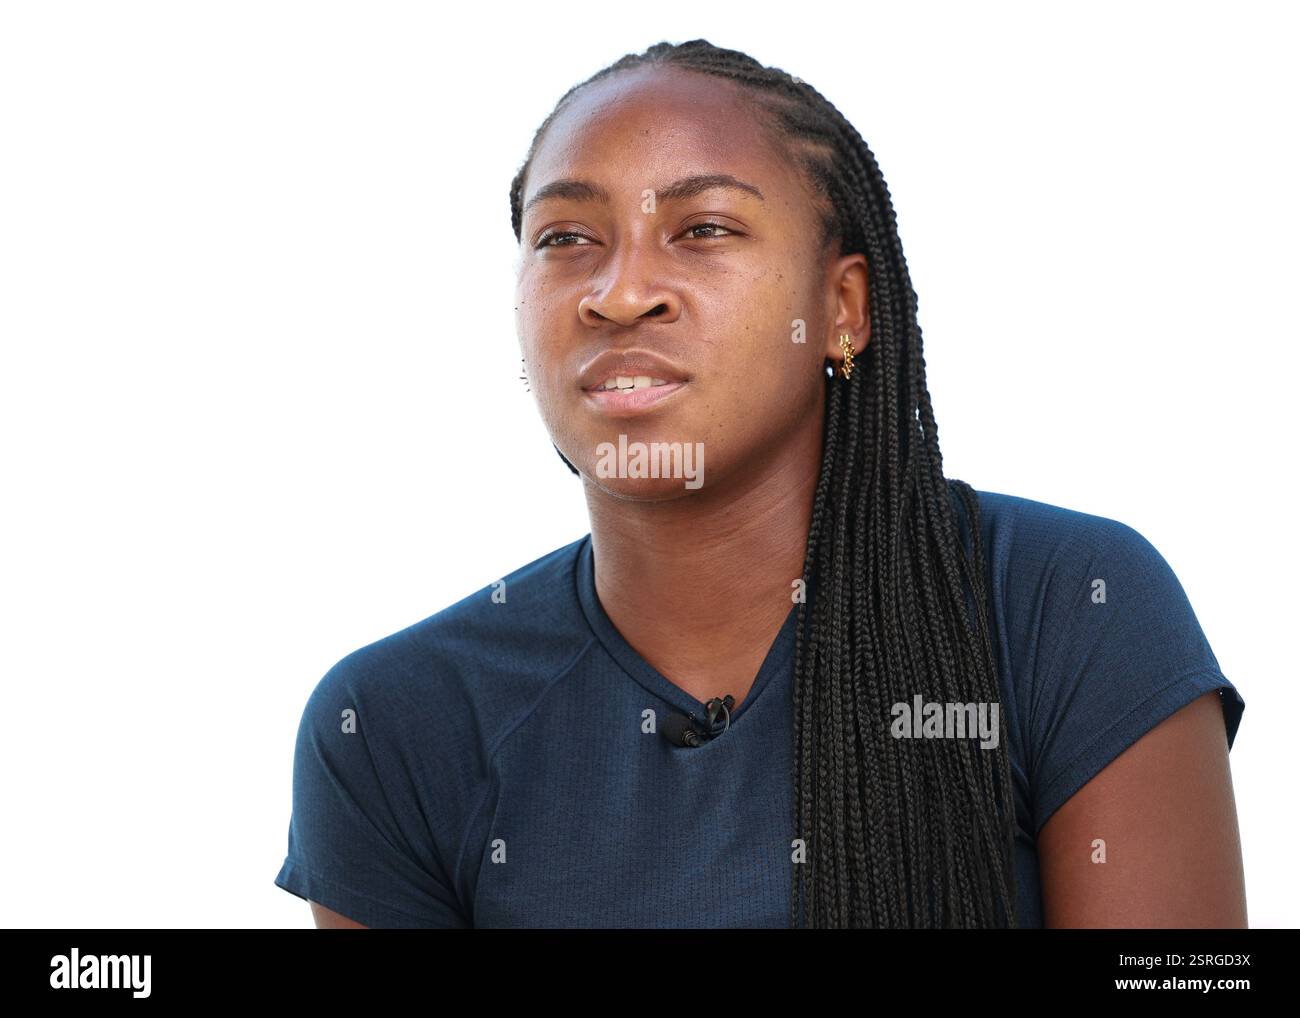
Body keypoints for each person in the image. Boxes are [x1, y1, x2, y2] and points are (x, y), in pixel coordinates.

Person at [273, 39, 1246, 928]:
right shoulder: (393, 729)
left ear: (842, 309)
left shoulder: (1067, 607)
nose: (617, 291)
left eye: (700, 228)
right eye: (565, 237)